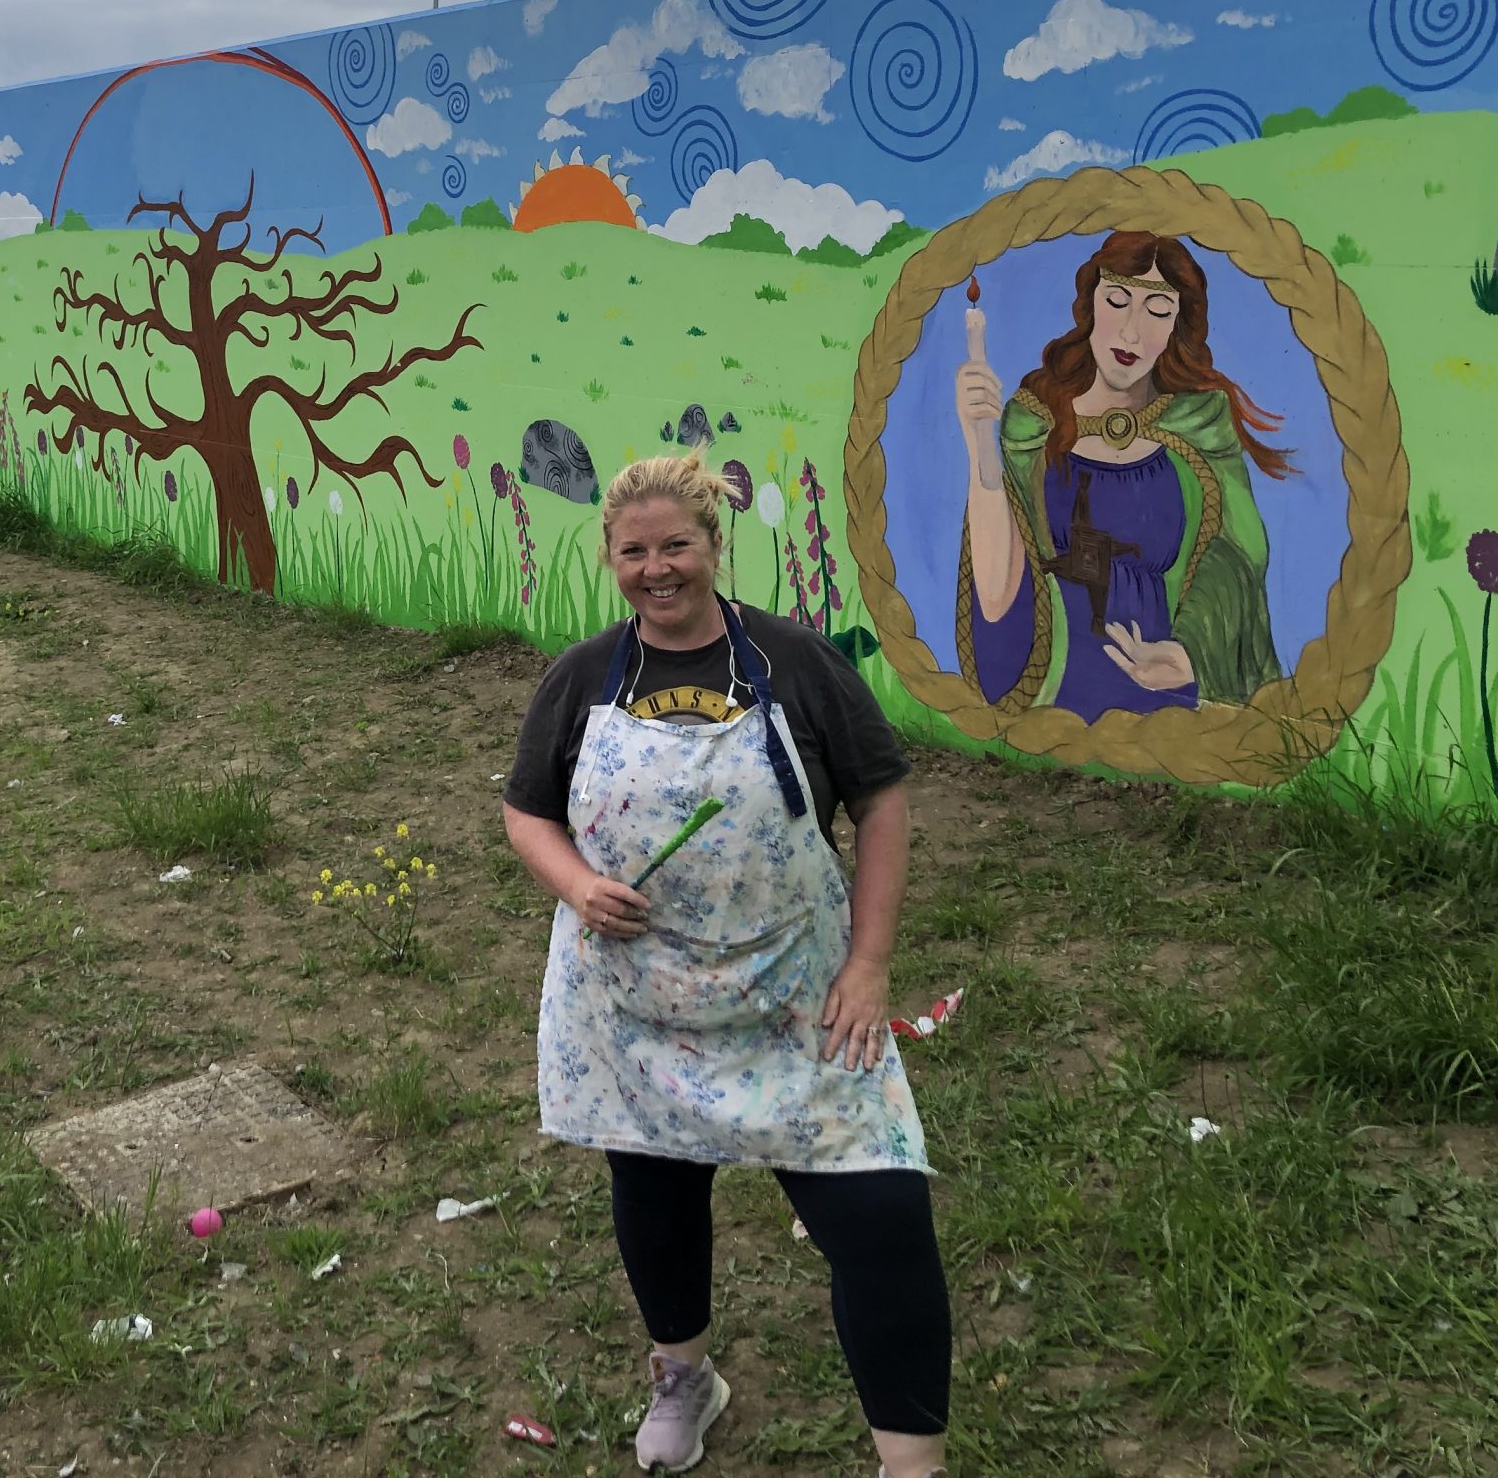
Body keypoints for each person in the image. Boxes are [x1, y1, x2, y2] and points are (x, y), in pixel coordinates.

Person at [502, 451, 950, 1476]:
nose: (656, 569)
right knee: (655, 1195)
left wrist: (870, 963)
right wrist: (575, 885)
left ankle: (912, 1466)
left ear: (713, 543)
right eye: (634, 552)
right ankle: (684, 1376)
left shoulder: (798, 664)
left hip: (797, 1000)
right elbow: (527, 812)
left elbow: (881, 800)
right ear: (611, 559)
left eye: (676, 545)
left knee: (881, 1216)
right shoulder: (581, 677)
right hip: (635, 1007)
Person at [956, 230, 1290, 716]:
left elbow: (1237, 553)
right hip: (1060, 694)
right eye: (1117, 301)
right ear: (1090, 304)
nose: (1132, 333)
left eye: (1158, 311)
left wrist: (1188, 653)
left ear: (1177, 326)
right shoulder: (1032, 425)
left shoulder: (1201, 423)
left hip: (1167, 695)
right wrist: (979, 441)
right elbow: (996, 595)